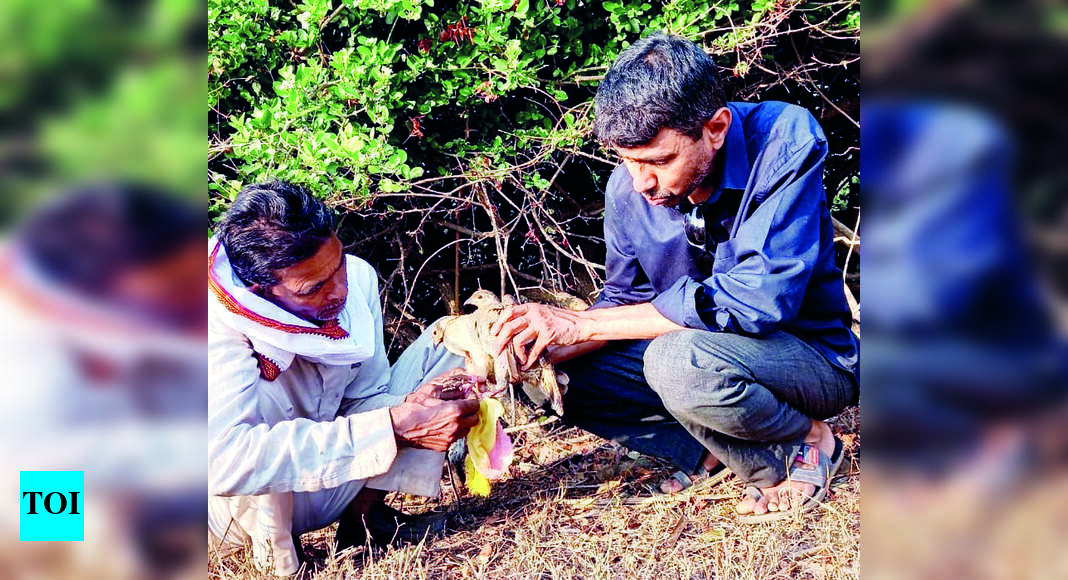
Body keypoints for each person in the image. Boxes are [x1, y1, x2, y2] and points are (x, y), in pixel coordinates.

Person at [491, 33, 859, 521]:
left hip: (809, 357)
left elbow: (757, 303)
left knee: (675, 361)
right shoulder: (629, 189)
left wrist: (584, 326)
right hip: (702, 361)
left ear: (716, 127)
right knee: (545, 371)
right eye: (627, 160)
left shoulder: (784, 139)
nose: (642, 182)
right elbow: (625, 298)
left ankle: (806, 441)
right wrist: (546, 349)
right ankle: (706, 451)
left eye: (660, 161)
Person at [208, 182, 480, 574]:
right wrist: (393, 426)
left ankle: (365, 525)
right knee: (261, 432)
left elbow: (363, 399)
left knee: (453, 343)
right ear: (259, 290)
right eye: (314, 288)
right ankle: (280, 561)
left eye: (339, 267)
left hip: (328, 473)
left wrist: (410, 410)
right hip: (224, 508)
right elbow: (226, 462)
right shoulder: (208, 321)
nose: (339, 291)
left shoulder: (359, 281)